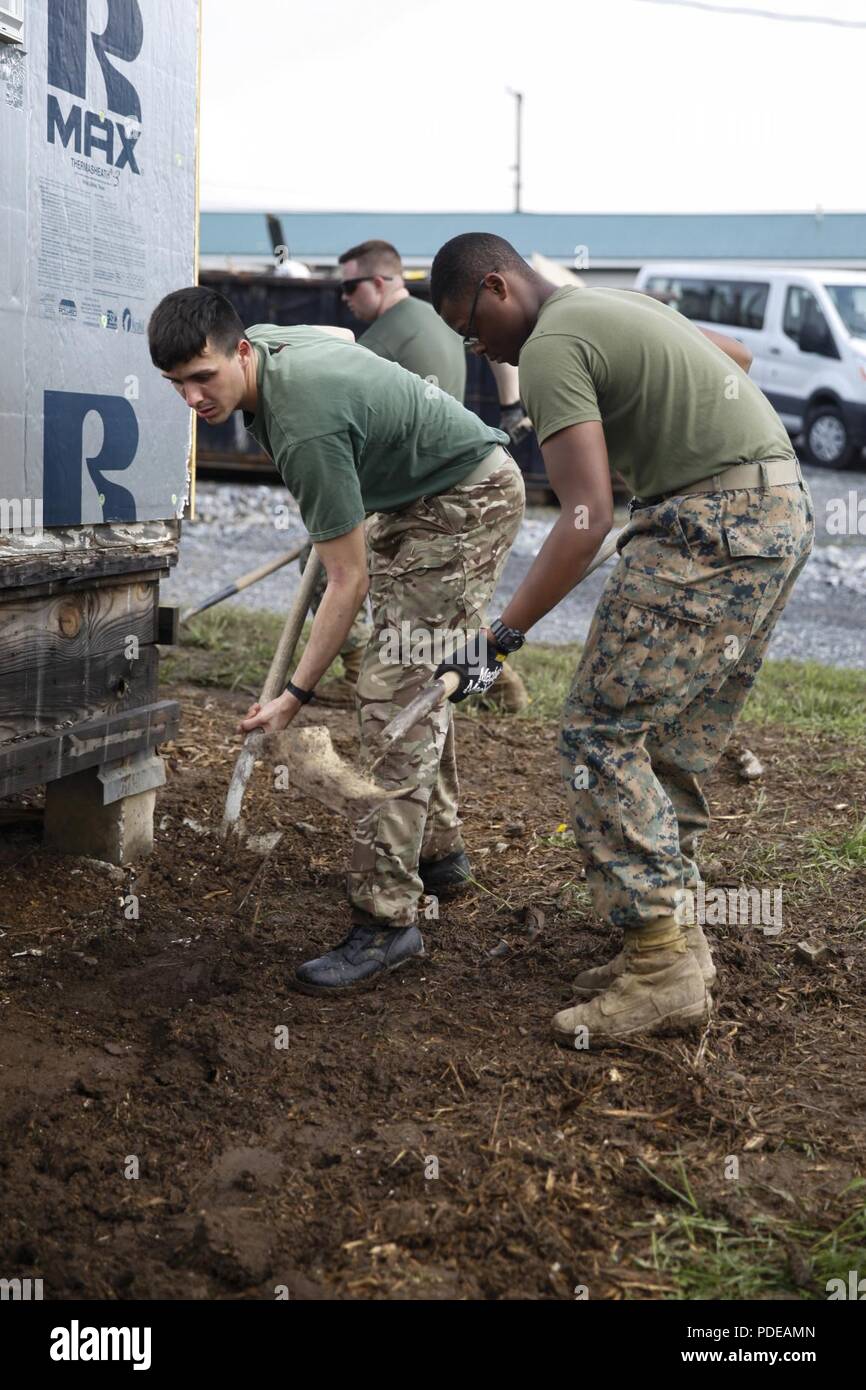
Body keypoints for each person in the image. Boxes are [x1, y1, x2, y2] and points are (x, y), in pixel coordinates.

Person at [430, 232, 814, 1047]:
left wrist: (500, 635)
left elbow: (584, 517)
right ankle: (680, 944)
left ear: (497, 288)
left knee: (598, 735)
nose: (476, 348)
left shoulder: (550, 344)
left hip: (708, 529)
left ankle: (660, 969)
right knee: (667, 741)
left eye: (470, 329)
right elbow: (735, 359)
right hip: (778, 510)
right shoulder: (614, 306)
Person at [148, 285, 525, 992]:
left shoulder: (304, 428)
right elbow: (346, 341)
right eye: (178, 384)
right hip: (417, 495)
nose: (193, 398)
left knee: (393, 693)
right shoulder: (271, 343)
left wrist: (294, 695)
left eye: (204, 377)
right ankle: (439, 855)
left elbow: (345, 583)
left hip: (464, 499)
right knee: (402, 680)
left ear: (243, 351)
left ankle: (388, 921)